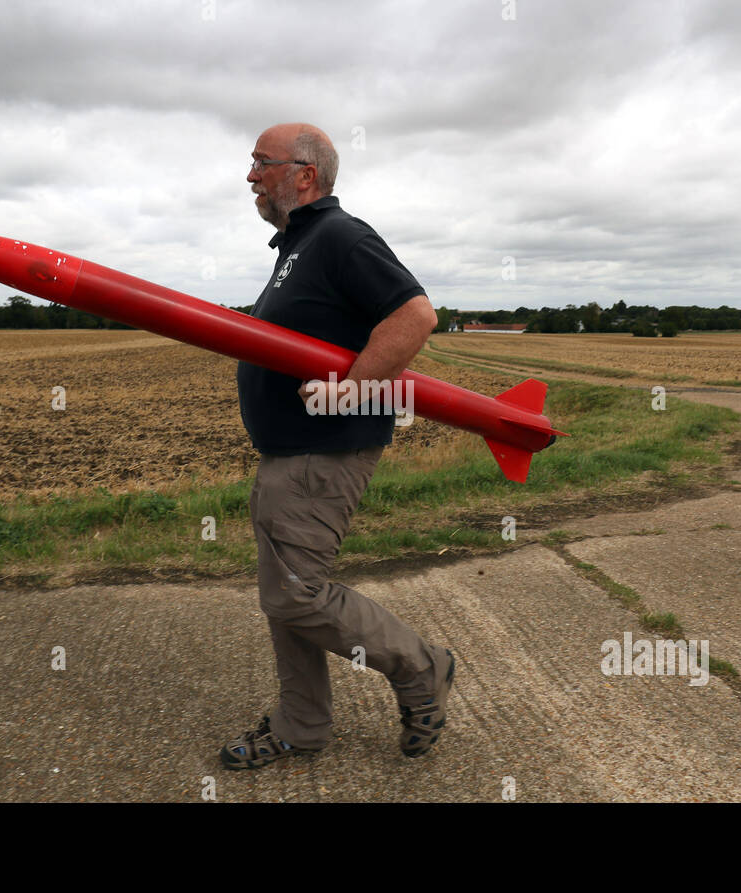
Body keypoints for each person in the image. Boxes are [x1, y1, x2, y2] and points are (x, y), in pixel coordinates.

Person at [220, 123, 455, 769]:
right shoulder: (297, 244)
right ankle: (301, 726)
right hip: (289, 452)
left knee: (296, 594)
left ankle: (422, 666)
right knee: (284, 597)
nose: (250, 176)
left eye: (260, 163)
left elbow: (414, 314)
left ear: (305, 173)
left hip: (322, 452)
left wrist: (350, 391)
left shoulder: (338, 235)